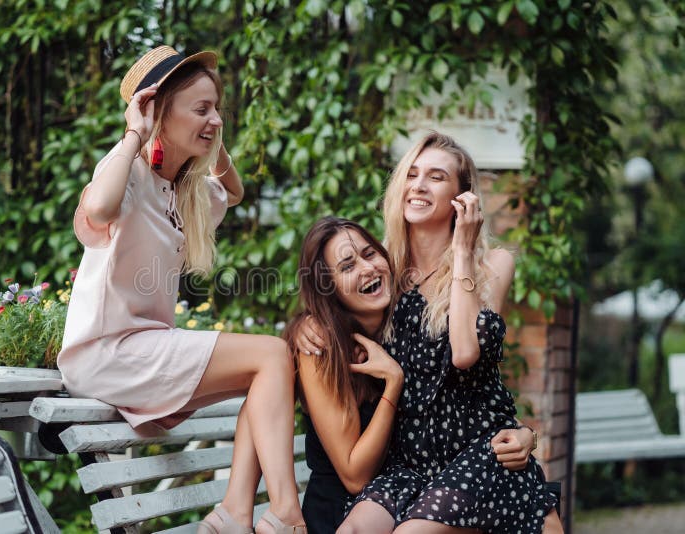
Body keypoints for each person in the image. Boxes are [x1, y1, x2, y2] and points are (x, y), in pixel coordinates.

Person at [57, 46, 305, 534]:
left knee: (270, 372)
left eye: (217, 109)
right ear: (158, 112)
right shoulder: (127, 169)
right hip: (107, 352)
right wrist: (134, 131)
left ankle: (236, 511)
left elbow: (232, 192)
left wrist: (213, 141)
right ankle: (288, 515)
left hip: (144, 347)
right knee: (274, 354)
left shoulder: (182, 187)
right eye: (201, 109)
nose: (214, 118)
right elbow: (101, 210)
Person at [323, 131, 564, 533]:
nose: (417, 185)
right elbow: (331, 308)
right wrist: (307, 328)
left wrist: (463, 252)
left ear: (461, 196)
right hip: (410, 461)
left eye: (435, 177)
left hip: (479, 455)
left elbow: (465, 353)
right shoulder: (383, 268)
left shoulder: (493, 264)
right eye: (412, 174)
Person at [284, 217, 538, 533]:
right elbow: (354, 476)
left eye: (370, 254)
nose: (367, 268)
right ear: (328, 288)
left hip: (402, 502)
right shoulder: (324, 346)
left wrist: (524, 433)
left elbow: (463, 399)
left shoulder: (403, 327)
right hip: (341, 512)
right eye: (347, 266)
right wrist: (393, 381)